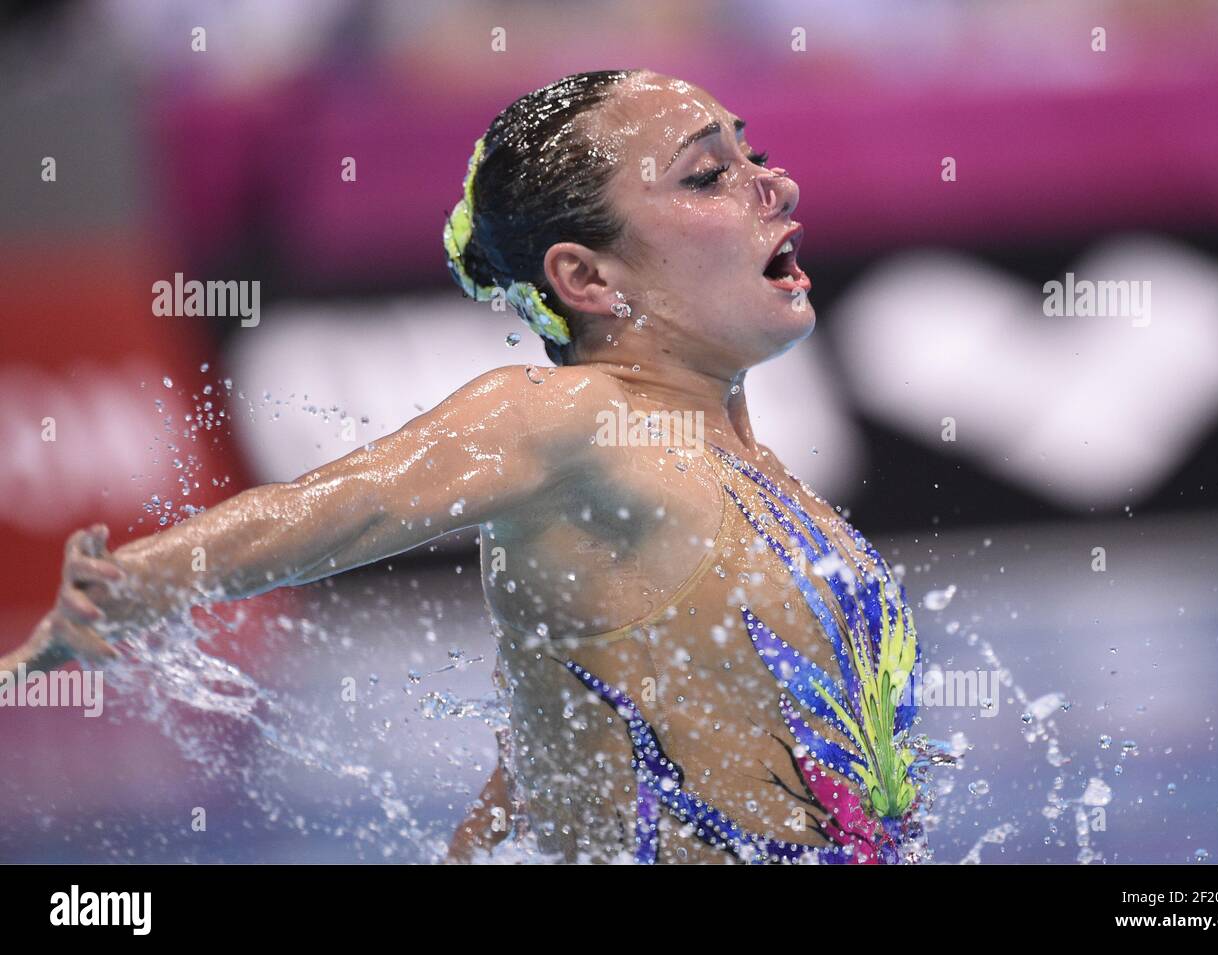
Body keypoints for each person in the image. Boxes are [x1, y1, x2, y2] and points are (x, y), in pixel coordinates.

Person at [4, 69, 939, 865]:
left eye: (752, 153)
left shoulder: (759, 472)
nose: (772, 186)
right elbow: (350, 500)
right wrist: (131, 586)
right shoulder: (576, 419)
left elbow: (611, 727)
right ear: (588, 280)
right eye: (707, 175)